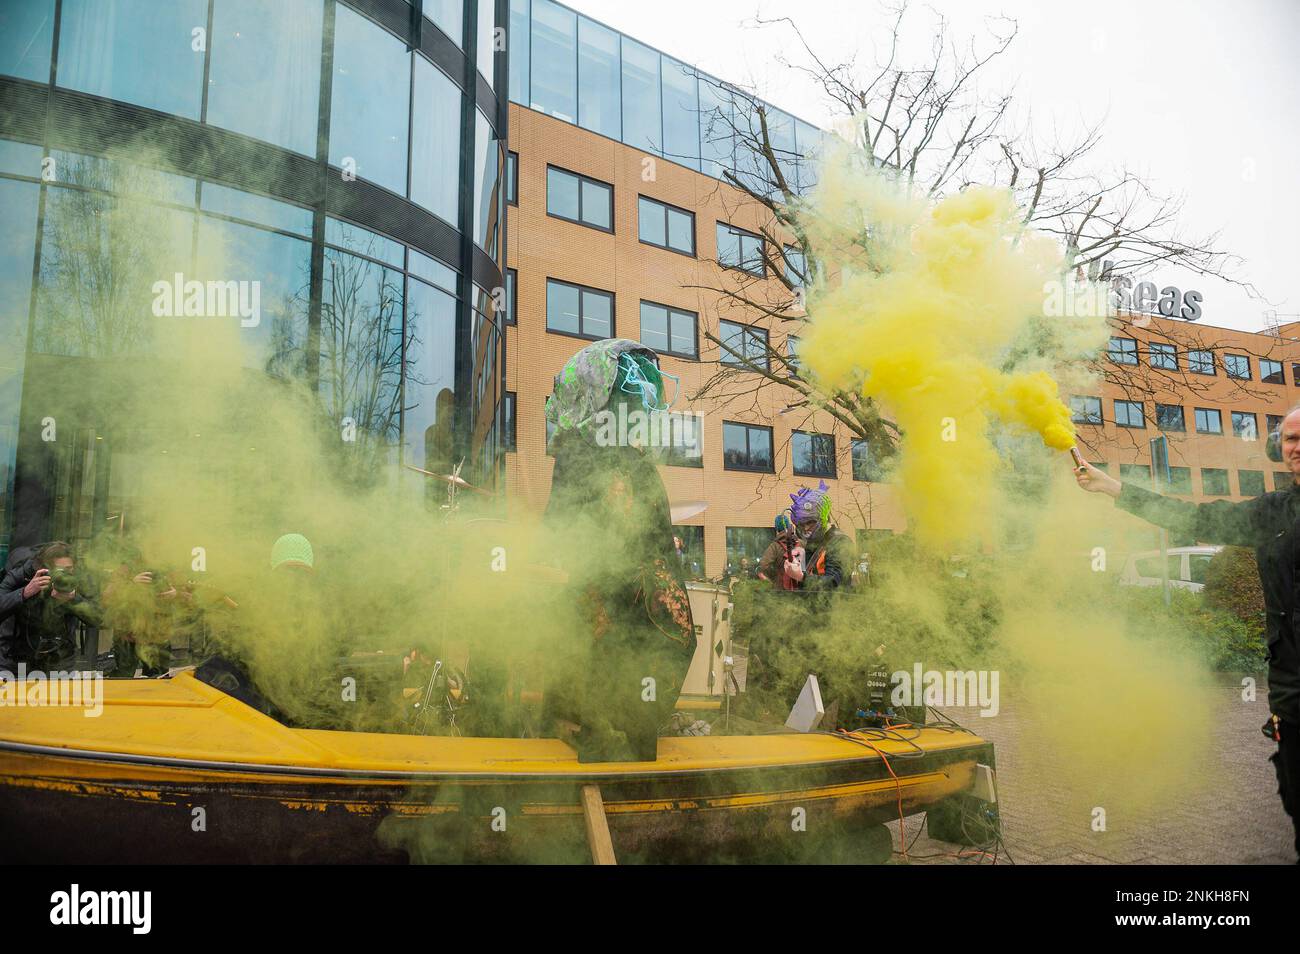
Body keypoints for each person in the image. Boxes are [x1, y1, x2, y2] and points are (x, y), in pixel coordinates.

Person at [1075, 414, 1300, 863]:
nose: (1298, 447)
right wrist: (1112, 488)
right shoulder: (1270, 512)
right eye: (1292, 438)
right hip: (1292, 693)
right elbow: (1196, 517)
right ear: (1279, 447)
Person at [542, 338, 695, 762]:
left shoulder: (615, 454)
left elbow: (650, 525)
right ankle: (611, 736)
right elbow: (565, 521)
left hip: (633, 581)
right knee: (610, 643)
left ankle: (620, 736)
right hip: (616, 581)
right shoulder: (597, 453)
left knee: (642, 639)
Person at [0, 542, 102, 672]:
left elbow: (99, 618)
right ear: (42, 568)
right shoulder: (22, 575)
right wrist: (25, 592)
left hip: (61, 660)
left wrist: (74, 599)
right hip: (17, 660)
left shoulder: (77, 580)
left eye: (68, 569)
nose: (63, 575)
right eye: (58, 570)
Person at [784, 481, 856, 592]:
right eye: (802, 524)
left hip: (837, 608)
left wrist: (801, 576)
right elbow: (809, 582)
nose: (806, 528)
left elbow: (834, 584)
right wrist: (798, 564)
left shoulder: (841, 542)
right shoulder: (814, 543)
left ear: (822, 519)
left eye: (810, 522)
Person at [759, 512, 804, 590]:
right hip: (802, 587)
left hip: (782, 589)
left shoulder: (775, 546)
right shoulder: (801, 543)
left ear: (777, 529)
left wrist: (775, 577)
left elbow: (764, 565)